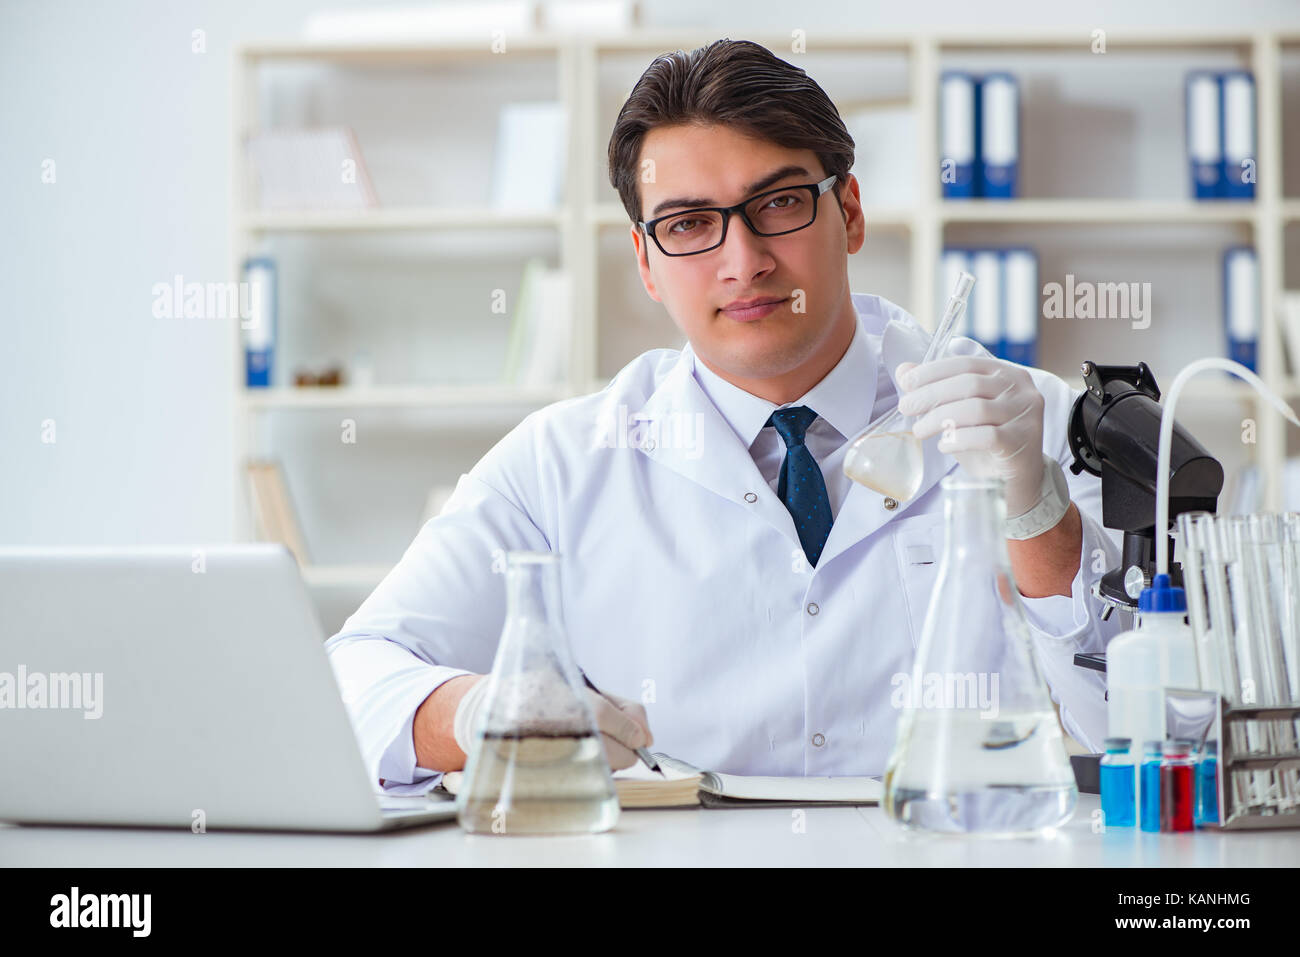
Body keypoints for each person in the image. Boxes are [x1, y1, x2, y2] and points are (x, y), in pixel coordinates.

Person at [325, 39, 1123, 795]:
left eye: (777, 203)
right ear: (645, 260)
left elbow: (1145, 728)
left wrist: (1036, 514)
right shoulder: (562, 463)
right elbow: (352, 675)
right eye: (688, 224)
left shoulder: (1027, 424)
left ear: (848, 209)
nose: (743, 262)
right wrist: (474, 715)